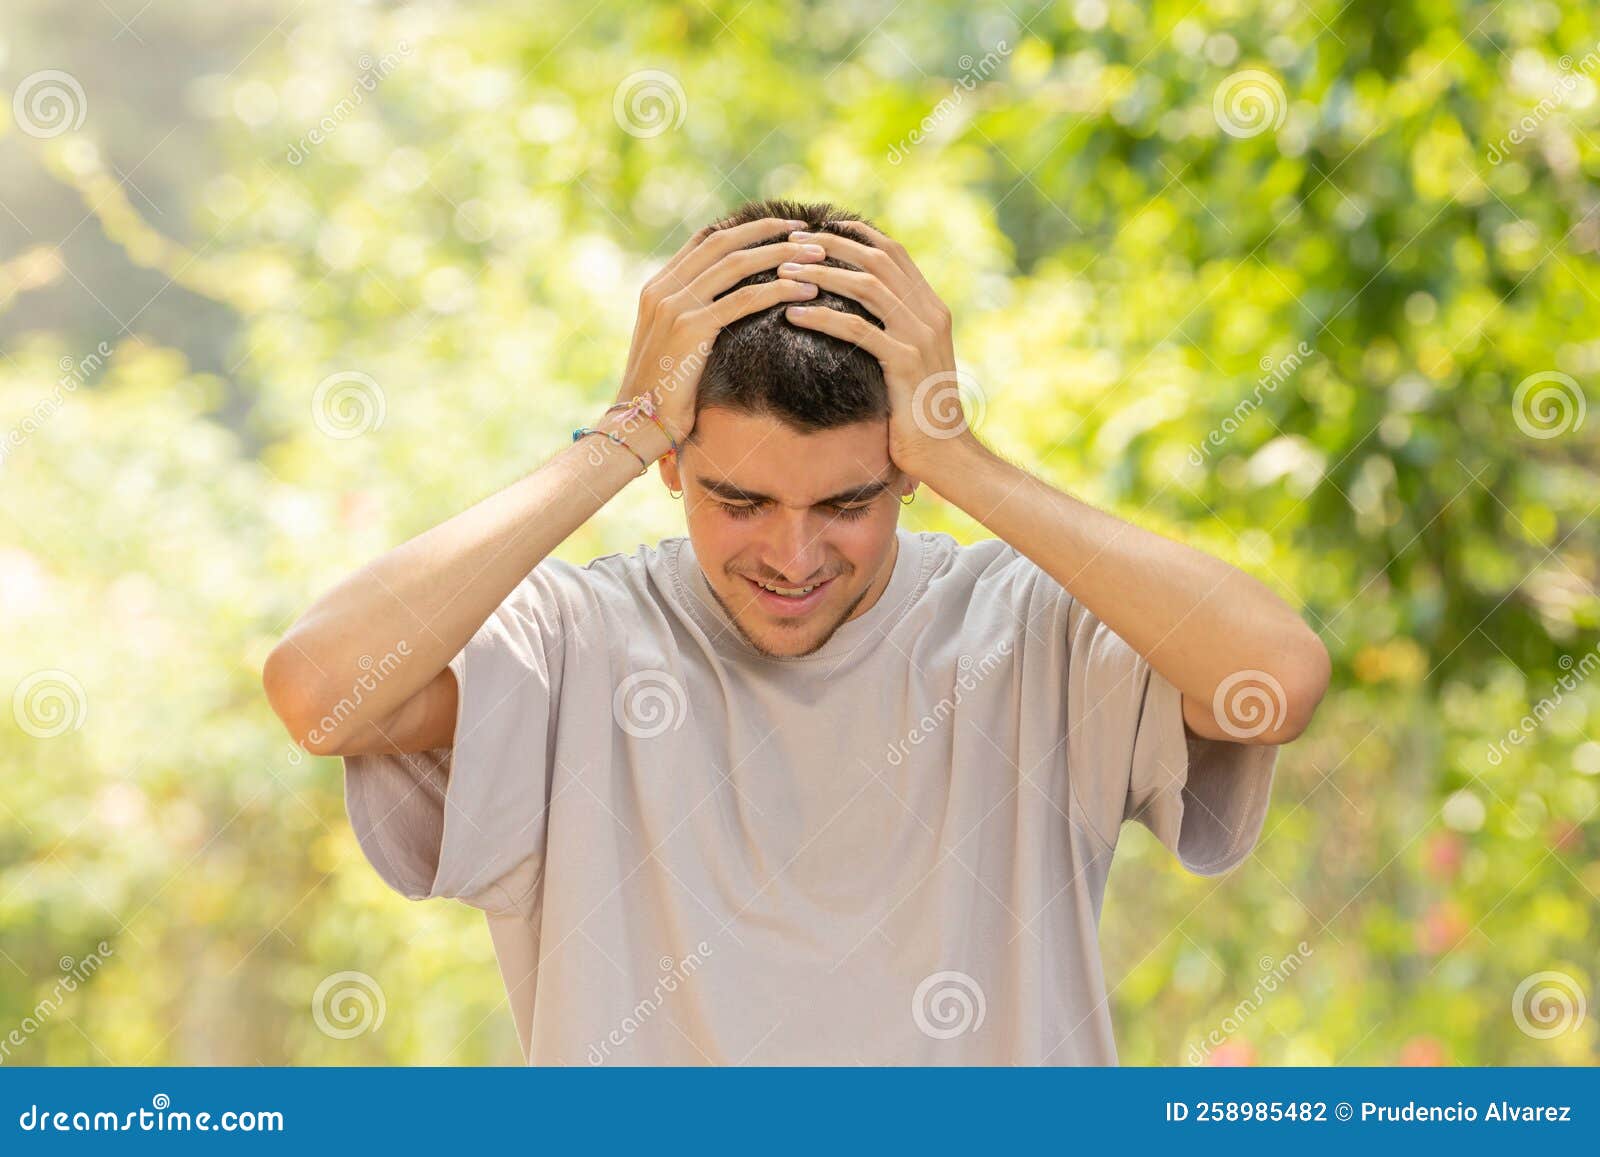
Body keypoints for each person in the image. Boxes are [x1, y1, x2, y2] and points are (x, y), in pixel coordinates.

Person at [262, 198, 1330, 1065]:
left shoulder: (1030, 629)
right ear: (673, 460)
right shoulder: (574, 642)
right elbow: (320, 690)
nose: (791, 555)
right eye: (740, 501)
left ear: (904, 469)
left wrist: (967, 461)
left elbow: (1273, 680)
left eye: (844, 505)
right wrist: (615, 435)